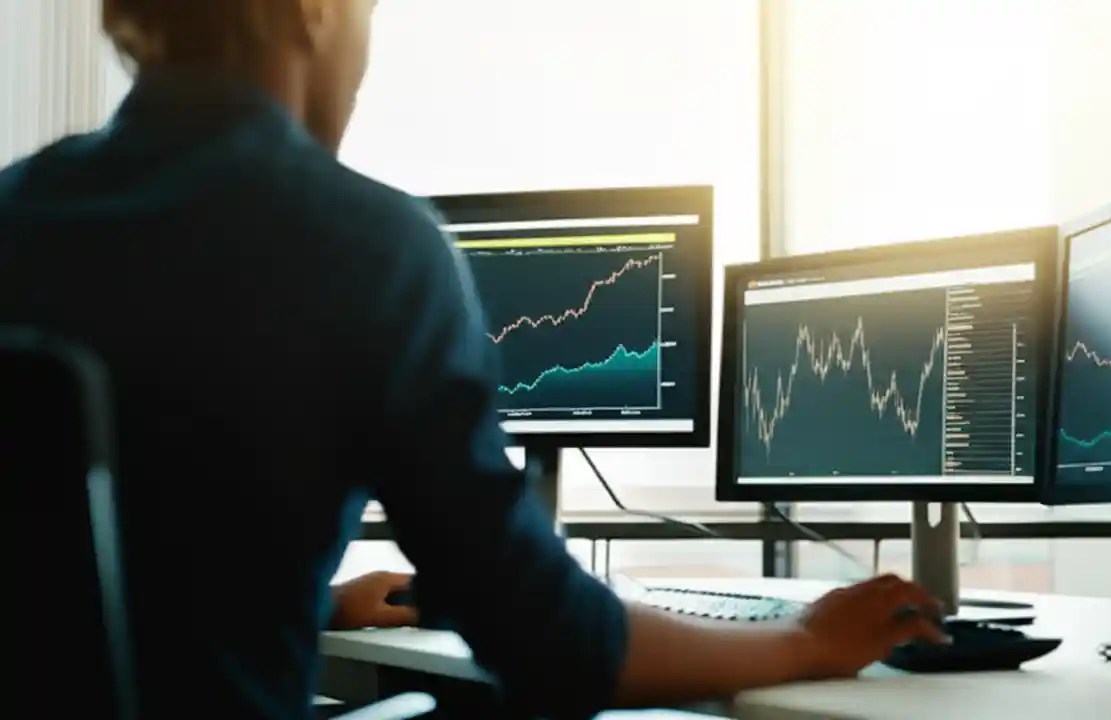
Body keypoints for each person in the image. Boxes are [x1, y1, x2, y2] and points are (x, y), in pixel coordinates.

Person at [0, 1, 944, 718]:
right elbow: (546, 643)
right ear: (316, 10)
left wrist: (320, 602)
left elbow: (96, 567)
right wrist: (803, 639)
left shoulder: (15, 213)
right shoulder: (366, 245)